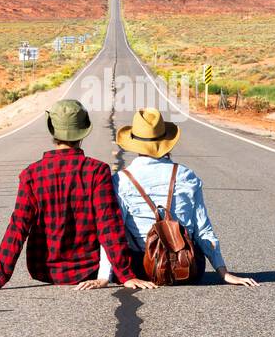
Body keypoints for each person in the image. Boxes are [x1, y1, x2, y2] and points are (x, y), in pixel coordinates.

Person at [0, 99, 157, 293]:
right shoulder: (97, 171)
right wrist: (126, 275)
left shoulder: (31, 175)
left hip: (46, 271)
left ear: (52, 129)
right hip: (88, 269)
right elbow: (108, 225)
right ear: (85, 130)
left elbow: (18, 227)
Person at [79, 108, 258, 290]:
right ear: (165, 142)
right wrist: (223, 272)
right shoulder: (187, 176)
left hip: (143, 268)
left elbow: (113, 232)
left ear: (134, 144)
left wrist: (104, 276)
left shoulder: (122, 180)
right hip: (187, 268)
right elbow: (203, 229)